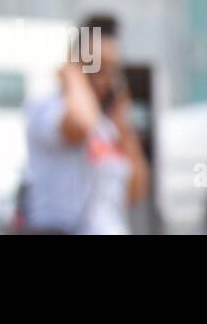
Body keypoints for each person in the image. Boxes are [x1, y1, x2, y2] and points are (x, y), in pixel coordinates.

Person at [20, 13, 149, 234]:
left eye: (112, 70)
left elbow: (136, 192)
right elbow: (80, 125)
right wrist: (73, 76)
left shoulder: (109, 126)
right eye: (96, 66)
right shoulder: (47, 110)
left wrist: (125, 128)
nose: (103, 79)